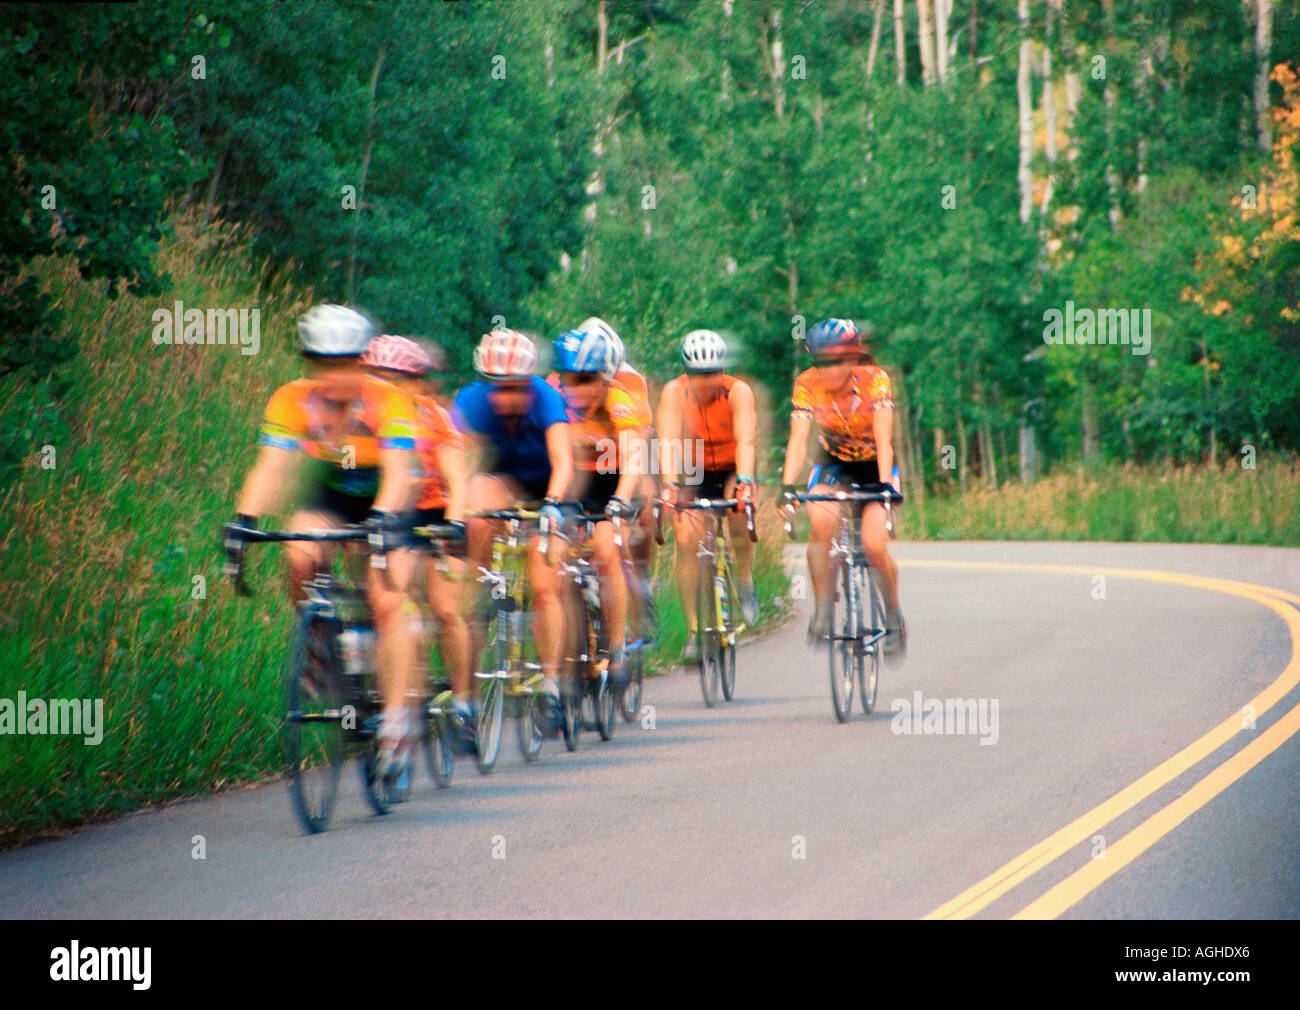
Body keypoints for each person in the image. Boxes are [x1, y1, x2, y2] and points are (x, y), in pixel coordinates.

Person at [224, 304, 422, 777]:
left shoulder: (387, 401)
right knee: (301, 552)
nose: (332, 376)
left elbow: (398, 473)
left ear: (362, 362)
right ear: (308, 364)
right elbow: (271, 466)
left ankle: (395, 725)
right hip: (332, 490)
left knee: (387, 597)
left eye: (343, 365)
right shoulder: (291, 399)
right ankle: (317, 644)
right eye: (320, 365)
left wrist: (380, 520)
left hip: (385, 494)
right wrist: (242, 521)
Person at [452, 328, 574, 730]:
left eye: (515, 388)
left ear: (529, 383)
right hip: (500, 484)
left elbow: (563, 460)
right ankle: (485, 596)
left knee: (545, 580)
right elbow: (461, 462)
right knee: (475, 510)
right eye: (497, 389)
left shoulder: (546, 398)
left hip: (546, 490)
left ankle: (552, 685)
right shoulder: (471, 401)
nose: (505, 398)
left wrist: (554, 505)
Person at [358, 334, 476, 752]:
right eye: (375, 376)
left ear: (419, 383)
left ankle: (462, 702)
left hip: (434, 514)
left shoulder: (434, 419)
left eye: (396, 379)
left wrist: (456, 524)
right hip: (386, 514)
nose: (385, 387)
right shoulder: (360, 415)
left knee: (445, 609)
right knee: (379, 602)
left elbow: (458, 480)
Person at [779, 317, 905, 654]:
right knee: (820, 526)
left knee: (874, 543)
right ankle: (823, 608)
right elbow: (798, 439)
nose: (829, 371)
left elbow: (884, 436)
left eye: (837, 361)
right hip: (833, 462)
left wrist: (884, 488)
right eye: (821, 362)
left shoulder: (875, 380)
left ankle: (893, 615)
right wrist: (788, 486)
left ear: (853, 357)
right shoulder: (806, 384)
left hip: (874, 463)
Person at [549, 325, 650, 689]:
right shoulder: (552, 396)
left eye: (586, 379)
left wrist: (621, 502)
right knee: (554, 556)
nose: (575, 387)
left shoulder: (619, 400)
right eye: (569, 378)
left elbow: (636, 460)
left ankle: (619, 647)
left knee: (607, 551)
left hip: (613, 480)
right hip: (572, 481)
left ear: (605, 379)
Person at [655, 329, 759, 665]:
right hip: (693, 471)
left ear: (723, 371)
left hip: (731, 467)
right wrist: (670, 486)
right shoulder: (674, 392)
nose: (706, 381)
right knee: (686, 540)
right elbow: (668, 442)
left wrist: (744, 481)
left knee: (739, 511)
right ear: (687, 373)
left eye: (713, 373)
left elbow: (746, 441)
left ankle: (743, 576)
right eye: (699, 375)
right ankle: (694, 632)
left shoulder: (737, 392)